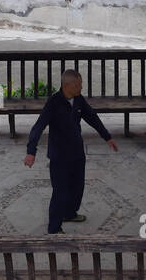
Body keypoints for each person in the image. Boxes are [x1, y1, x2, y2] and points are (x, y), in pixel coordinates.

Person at [24, 69, 118, 233]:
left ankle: (69, 214)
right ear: (67, 85)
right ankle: (54, 229)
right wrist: (31, 151)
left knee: (77, 187)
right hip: (59, 157)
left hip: (77, 153)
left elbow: (92, 117)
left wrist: (107, 136)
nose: (81, 87)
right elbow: (38, 127)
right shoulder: (53, 103)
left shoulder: (79, 99)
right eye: (78, 85)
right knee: (60, 192)